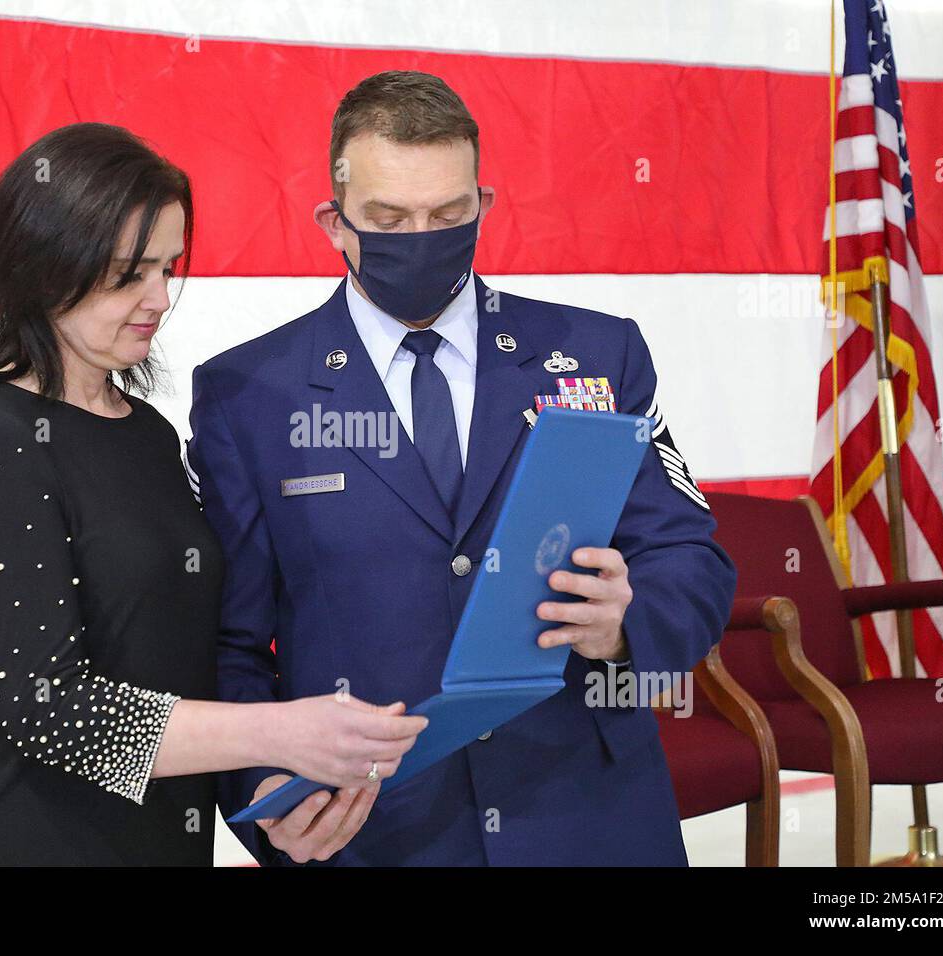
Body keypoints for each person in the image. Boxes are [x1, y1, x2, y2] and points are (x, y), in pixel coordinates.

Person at [187, 72, 738, 865]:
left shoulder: (597, 354)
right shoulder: (249, 395)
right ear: (334, 223)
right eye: (388, 218)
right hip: (375, 828)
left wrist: (626, 621)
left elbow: (691, 559)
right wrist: (262, 783)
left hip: (587, 813)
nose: (421, 235)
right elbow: (227, 641)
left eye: (447, 214)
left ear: (485, 205)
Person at [0, 122, 426, 866]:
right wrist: (278, 732)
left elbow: (182, 659)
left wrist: (272, 789)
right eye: (128, 274)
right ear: (44, 268)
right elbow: (50, 712)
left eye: (168, 268)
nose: (159, 298)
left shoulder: (146, 431)